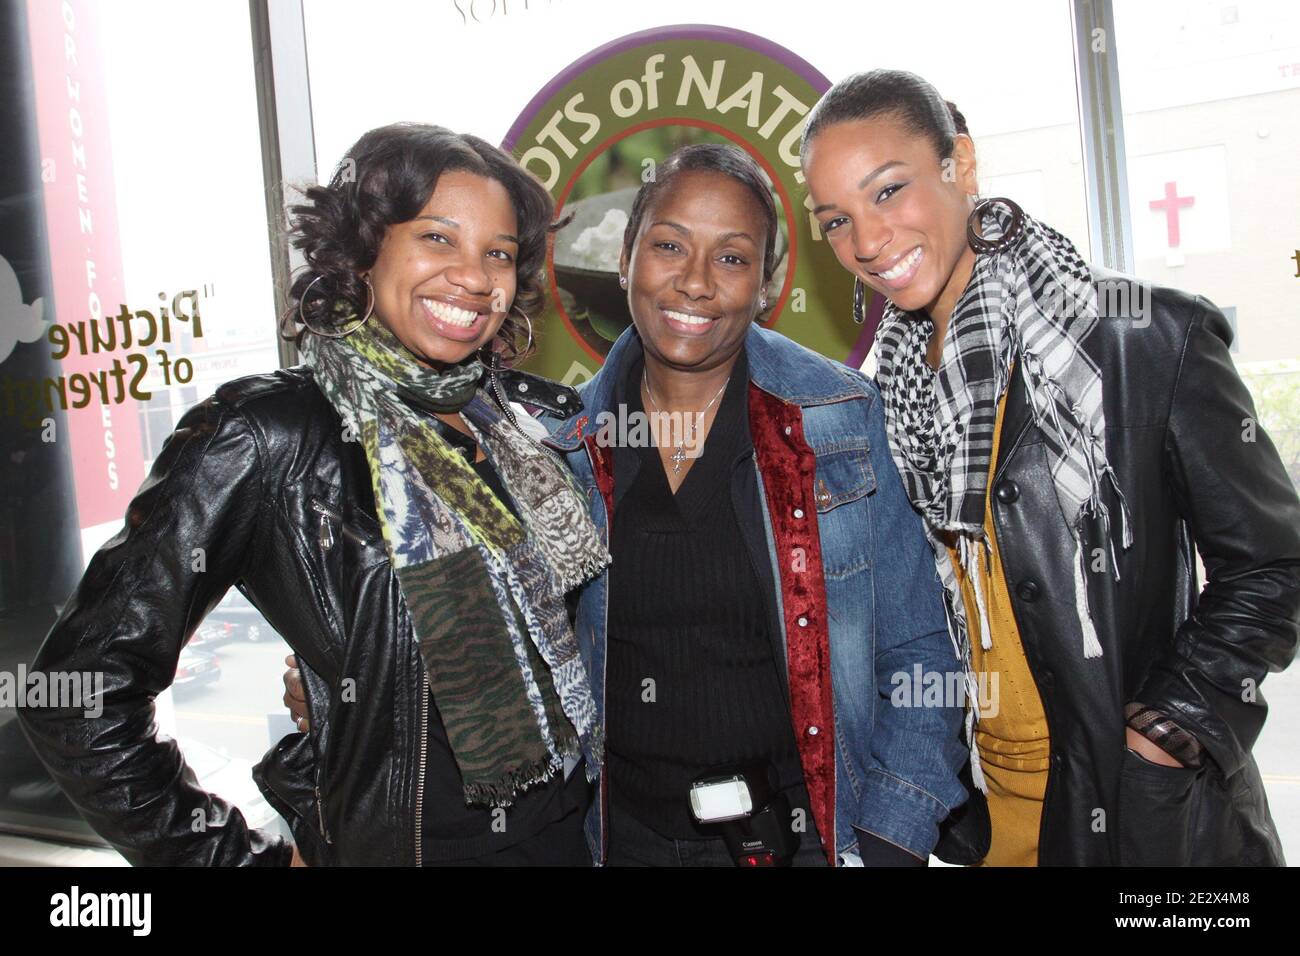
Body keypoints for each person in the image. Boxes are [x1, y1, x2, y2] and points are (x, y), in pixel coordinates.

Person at [18, 123, 608, 866]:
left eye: (498, 252)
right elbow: (79, 693)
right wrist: (237, 860)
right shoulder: (269, 436)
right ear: (362, 251)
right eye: (437, 238)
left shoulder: (530, 428)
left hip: (575, 843)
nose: (473, 275)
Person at [800, 69, 1300, 866]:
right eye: (835, 221)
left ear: (960, 164)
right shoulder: (887, 393)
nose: (865, 241)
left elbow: (1273, 565)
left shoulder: (1141, 342)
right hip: (988, 821)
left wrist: (1167, 733)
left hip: (1140, 819)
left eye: (889, 191)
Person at [545, 143, 967, 866]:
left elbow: (920, 652)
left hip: (807, 840)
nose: (696, 283)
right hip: (623, 844)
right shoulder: (567, 448)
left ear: (767, 285)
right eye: (669, 245)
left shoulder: (840, 418)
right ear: (625, 259)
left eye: (732, 258)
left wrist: (890, 836)